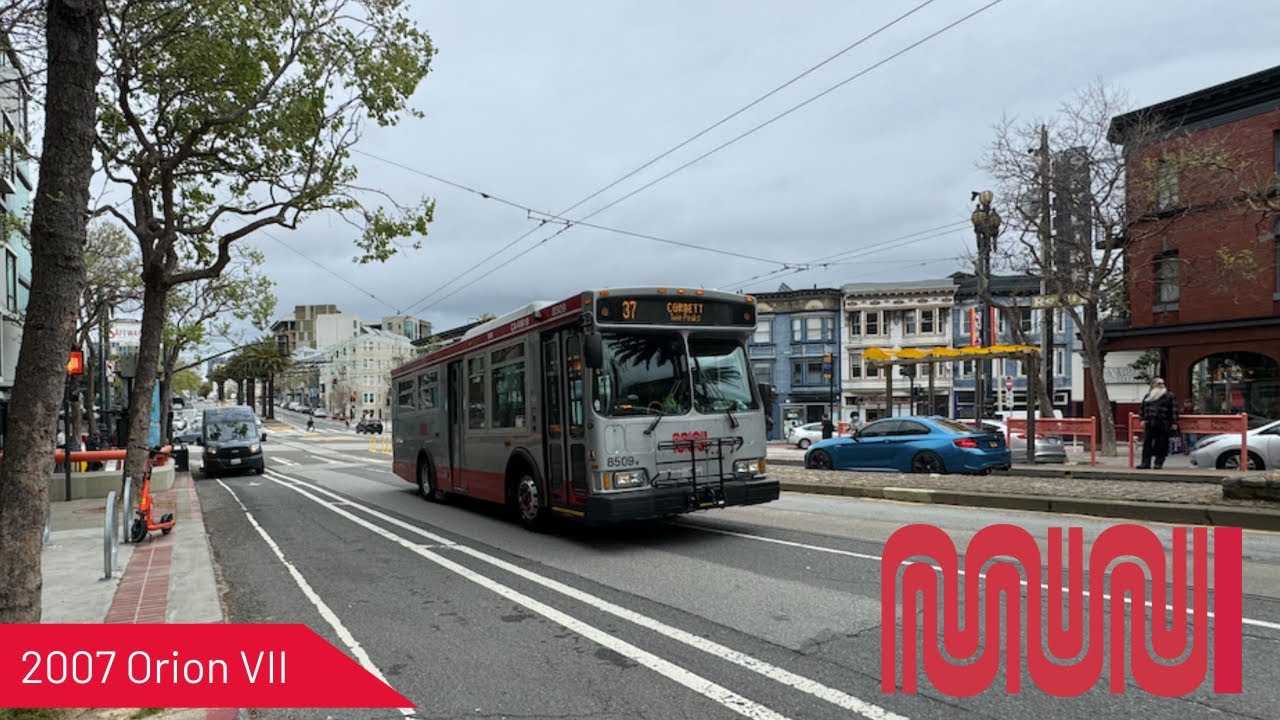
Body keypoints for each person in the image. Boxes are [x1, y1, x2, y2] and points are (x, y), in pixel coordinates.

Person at [1138, 377, 1178, 469]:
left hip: (1164, 423)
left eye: (1162, 383)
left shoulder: (1169, 395)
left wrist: (1174, 422)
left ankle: (1158, 463)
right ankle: (1145, 463)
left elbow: (1174, 410)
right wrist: (1142, 419)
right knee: (1147, 444)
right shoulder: (1148, 396)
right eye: (1159, 383)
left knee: (1162, 444)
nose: (1161, 385)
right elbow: (1142, 409)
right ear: (1153, 385)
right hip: (1150, 423)